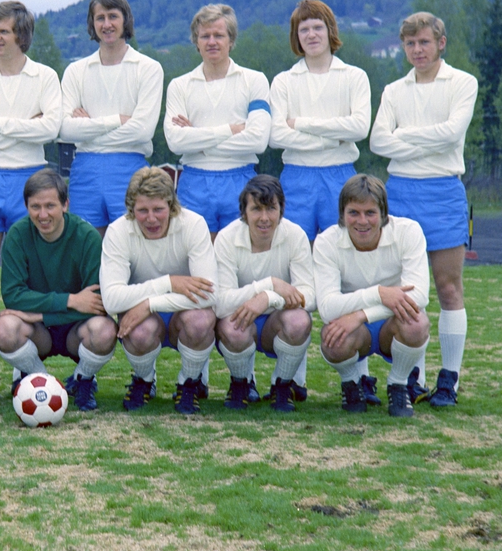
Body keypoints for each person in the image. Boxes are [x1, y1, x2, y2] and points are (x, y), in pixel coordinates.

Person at [369, 12, 478, 408]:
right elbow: (379, 141)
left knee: (448, 287)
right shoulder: (394, 90)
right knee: (405, 290)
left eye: (425, 42)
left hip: (445, 190)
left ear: (441, 42)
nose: (417, 50)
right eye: (410, 44)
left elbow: (452, 133)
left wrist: (404, 136)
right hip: (400, 192)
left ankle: (449, 378)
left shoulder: (463, 83)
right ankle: (411, 374)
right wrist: (420, 141)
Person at [0, 168, 117, 411]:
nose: (43, 214)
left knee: (104, 329)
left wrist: (37, 313)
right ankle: (40, 380)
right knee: (4, 328)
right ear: (26, 206)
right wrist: (70, 300)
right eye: (35, 207)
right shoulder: (18, 234)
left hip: (75, 329)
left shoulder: (87, 237)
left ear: (65, 205)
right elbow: (14, 296)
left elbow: (96, 305)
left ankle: (83, 379)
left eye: (50, 205)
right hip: (38, 332)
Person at [100, 167, 217, 414]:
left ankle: (189, 382)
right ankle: (143, 380)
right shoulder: (118, 231)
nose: (151, 219)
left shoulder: (194, 224)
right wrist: (168, 283)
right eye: (142, 210)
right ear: (131, 210)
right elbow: (111, 300)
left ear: (171, 205)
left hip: (181, 312)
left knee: (200, 320)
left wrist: (150, 304)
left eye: (158, 209)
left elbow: (210, 294)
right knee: (141, 331)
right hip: (149, 317)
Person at [314, 175, 430, 417]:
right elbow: (326, 307)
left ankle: (398, 384)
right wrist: (378, 293)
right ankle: (352, 383)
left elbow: (418, 296)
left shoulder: (409, 231)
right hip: (355, 331)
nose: (362, 221)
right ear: (342, 214)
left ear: (384, 213)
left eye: (370, 212)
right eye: (353, 212)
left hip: (391, 323)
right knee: (332, 339)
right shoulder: (327, 241)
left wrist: (362, 314)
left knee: (417, 323)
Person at [0, 1, 62, 269]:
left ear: (22, 35)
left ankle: (24, 314)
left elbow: (50, 129)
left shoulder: (46, 77)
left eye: (3, 31)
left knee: (32, 270)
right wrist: (27, 128)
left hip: (31, 178)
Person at [58, 0, 163, 234]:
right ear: (92, 24)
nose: (107, 24)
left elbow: (142, 130)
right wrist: (117, 121)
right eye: (100, 18)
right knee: (88, 251)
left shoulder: (148, 69)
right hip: (85, 171)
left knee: (131, 246)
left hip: (129, 168)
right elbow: (64, 129)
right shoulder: (76, 71)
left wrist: (88, 127)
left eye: (113, 16)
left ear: (125, 20)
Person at [164, 4, 271, 236]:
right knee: (198, 263)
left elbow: (258, 141)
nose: (212, 41)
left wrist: (198, 138)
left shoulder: (255, 81)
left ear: (231, 40)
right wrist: (232, 129)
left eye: (219, 35)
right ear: (196, 41)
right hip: (194, 182)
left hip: (241, 180)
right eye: (205, 36)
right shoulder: (179, 86)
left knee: (240, 258)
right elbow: (176, 142)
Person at [268, 0, 371, 241]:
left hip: (340, 176)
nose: (311, 35)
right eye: (304, 30)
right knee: (295, 250)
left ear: (330, 30)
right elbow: (276, 136)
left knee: (342, 247)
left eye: (318, 27)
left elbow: (358, 128)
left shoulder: (354, 77)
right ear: (296, 36)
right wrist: (333, 140)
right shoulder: (283, 81)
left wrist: (302, 124)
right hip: (296, 176)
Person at [213, 174, 315, 412]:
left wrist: (268, 298)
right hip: (241, 320)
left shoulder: (295, 235)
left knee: (300, 320)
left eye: (271, 208)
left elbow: (309, 296)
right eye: (256, 209)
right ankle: (241, 383)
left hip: (276, 321)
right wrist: (266, 285)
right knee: (230, 326)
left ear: (281, 209)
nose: (264, 218)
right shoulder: (227, 238)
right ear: (244, 211)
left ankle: (283, 385)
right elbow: (220, 304)